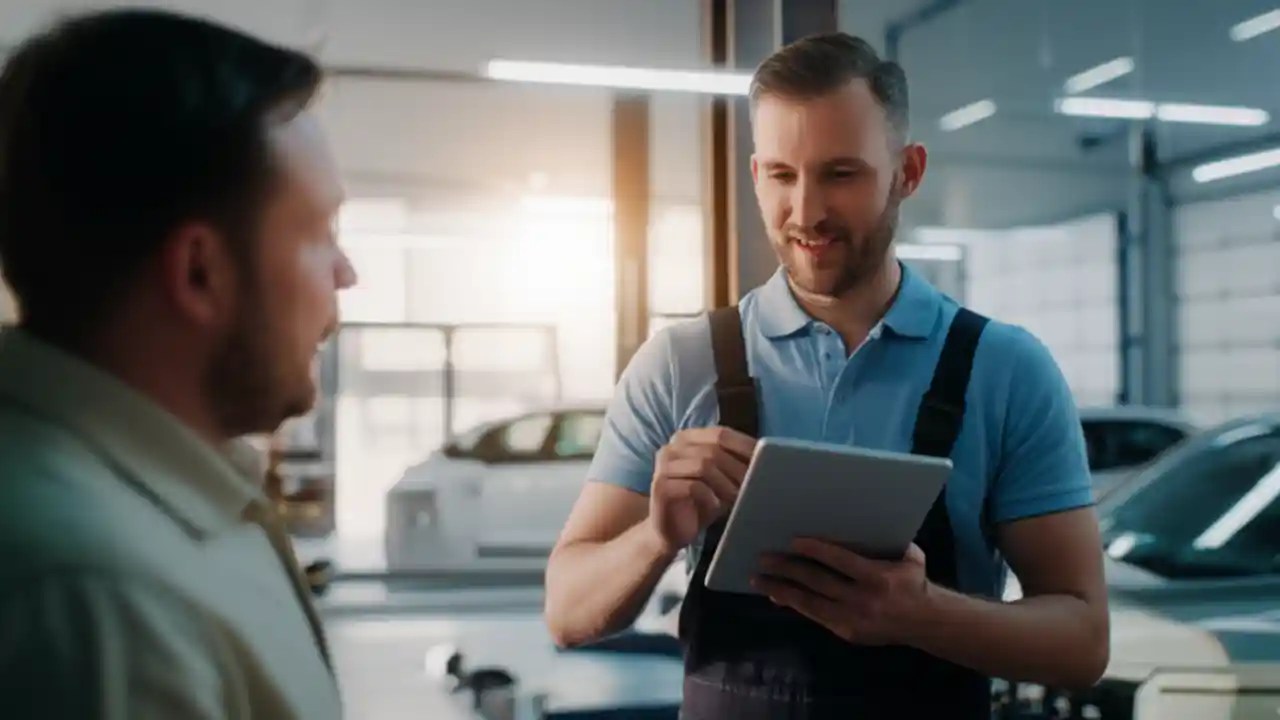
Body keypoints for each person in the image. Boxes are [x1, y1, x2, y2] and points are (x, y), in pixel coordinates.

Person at [545, 32, 1109, 718]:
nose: (806, 212)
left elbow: (1083, 642)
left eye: (841, 174)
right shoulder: (679, 365)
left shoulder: (1007, 370)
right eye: (782, 175)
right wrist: (657, 536)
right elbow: (568, 614)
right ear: (755, 175)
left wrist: (921, 614)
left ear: (908, 171)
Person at [0, 9, 355, 719]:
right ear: (200, 273)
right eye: (319, 235)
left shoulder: (176, 505)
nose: (345, 274)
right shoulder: (102, 598)